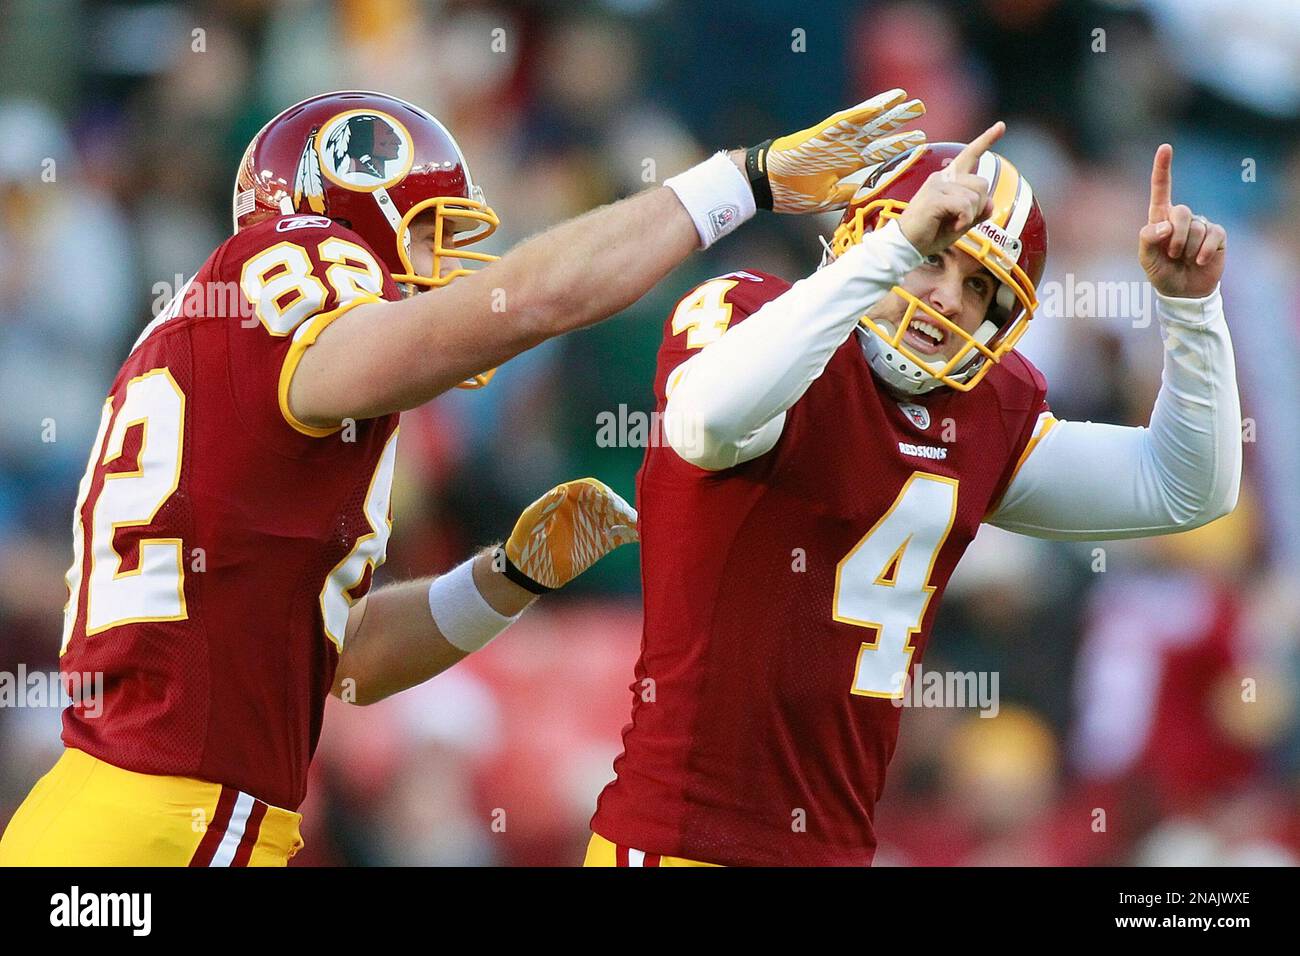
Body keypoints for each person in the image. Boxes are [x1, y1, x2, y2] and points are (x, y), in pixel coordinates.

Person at [0, 88, 926, 866]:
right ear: (349, 217)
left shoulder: (231, 361)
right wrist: (741, 181)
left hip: (103, 820)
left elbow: (342, 663)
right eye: (435, 235)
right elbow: (522, 302)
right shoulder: (292, 269)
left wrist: (504, 578)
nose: (448, 270)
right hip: (174, 824)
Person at [587, 124, 1241, 866]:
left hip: (836, 848)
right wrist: (893, 249)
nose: (947, 298)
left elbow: (1187, 489)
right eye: (932, 255)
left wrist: (1190, 313)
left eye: (979, 286)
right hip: (684, 841)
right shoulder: (753, 318)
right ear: (870, 238)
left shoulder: (987, 410)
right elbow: (707, 423)